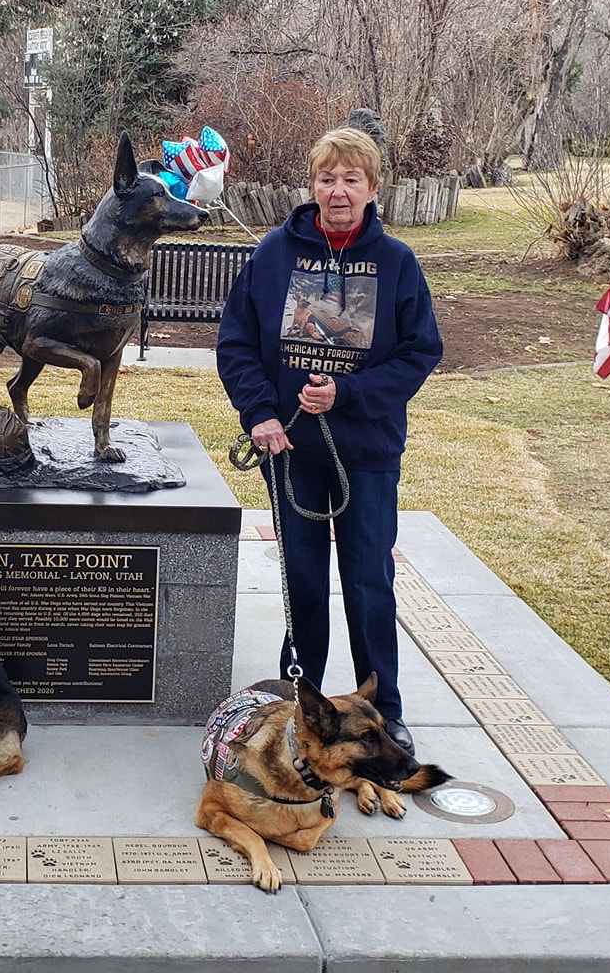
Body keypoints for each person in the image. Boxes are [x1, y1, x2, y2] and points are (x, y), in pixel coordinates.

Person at [216, 126, 442, 755]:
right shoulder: (271, 255)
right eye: (326, 178)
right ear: (311, 184)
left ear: (373, 188)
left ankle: (383, 708)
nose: (337, 191)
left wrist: (349, 395)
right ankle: (302, 701)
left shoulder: (396, 263)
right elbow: (236, 342)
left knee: (369, 580)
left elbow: (422, 352)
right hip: (289, 452)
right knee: (304, 581)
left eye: (351, 180)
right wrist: (260, 415)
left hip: (365, 454)